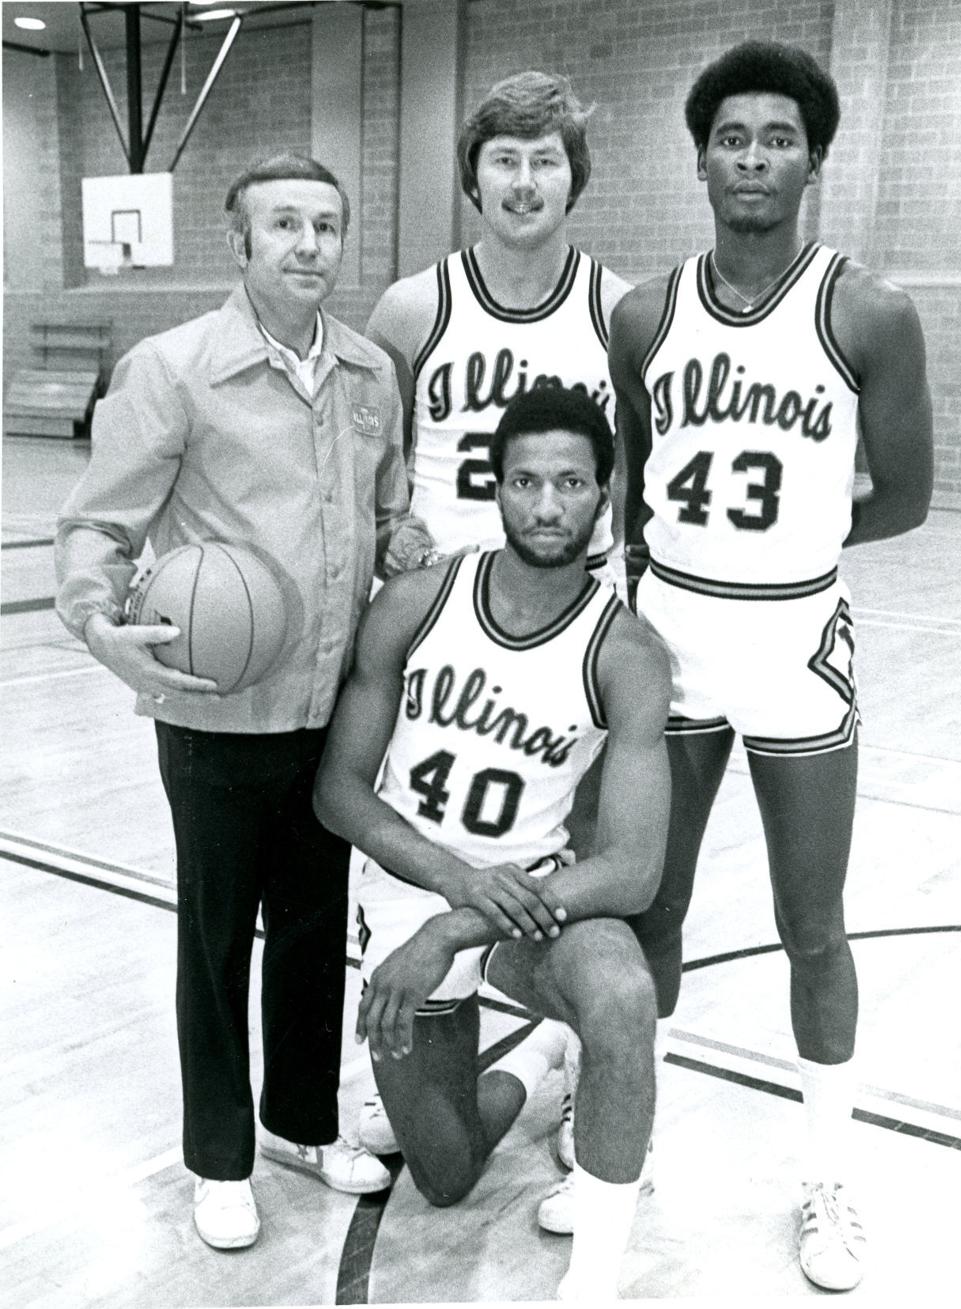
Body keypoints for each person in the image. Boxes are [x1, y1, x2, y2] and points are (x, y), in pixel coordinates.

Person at [54, 154, 435, 1251]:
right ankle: (218, 1156)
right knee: (217, 938)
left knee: (317, 932)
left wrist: (399, 532)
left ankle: (302, 1123)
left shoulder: (370, 371)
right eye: (285, 226)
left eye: (326, 225)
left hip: (334, 709)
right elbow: (97, 522)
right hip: (215, 712)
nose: (309, 245)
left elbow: (386, 498)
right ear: (240, 243)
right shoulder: (171, 371)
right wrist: (96, 621)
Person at [605, 41, 933, 1291]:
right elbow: (636, 481)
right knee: (653, 911)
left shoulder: (869, 311)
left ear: (814, 159)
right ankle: (621, 1158)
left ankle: (828, 1175)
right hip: (672, 639)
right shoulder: (646, 314)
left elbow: (904, 495)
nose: (753, 156)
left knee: (813, 924)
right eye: (732, 136)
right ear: (699, 159)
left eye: (778, 137)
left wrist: (797, 540)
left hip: (796, 637)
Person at [312, 386, 672, 1302]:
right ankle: (539, 1049)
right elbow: (339, 789)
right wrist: (449, 892)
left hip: (525, 904)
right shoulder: (418, 602)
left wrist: (455, 925)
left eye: (571, 483)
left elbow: (633, 868)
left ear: (605, 492)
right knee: (444, 1174)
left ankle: (591, 1280)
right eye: (526, 481)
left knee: (623, 993)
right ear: (495, 486)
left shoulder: (623, 650)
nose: (548, 506)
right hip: (409, 886)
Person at [361, 66, 631, 1160]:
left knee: (595, 857)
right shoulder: (413, 306)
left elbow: (641, 474)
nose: (525, 181)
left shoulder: (621, 311)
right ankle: (431, 1037)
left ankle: (583, 1062)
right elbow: (367, 457)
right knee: (419, 838)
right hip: (438, 632)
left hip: (573, 630)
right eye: (504, 159)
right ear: (472, 178)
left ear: (576, 179)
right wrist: (388, 530)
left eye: (546, 159)